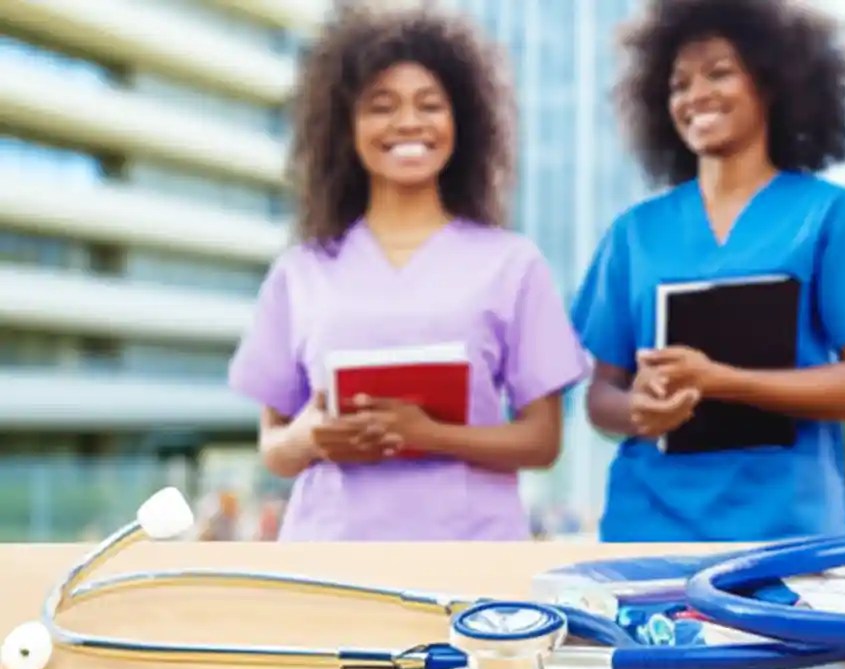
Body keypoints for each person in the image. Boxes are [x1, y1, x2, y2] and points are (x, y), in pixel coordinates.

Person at [227, 5, 589, 541]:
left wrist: (431, 435)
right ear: (346, 127)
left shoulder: (512, 265)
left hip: (471, 555)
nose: (408, 123)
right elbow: (275, 450)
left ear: (460, 123)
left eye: (430, 105)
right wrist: (311, 435)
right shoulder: (300, 271)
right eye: (381, 106)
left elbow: (541, 442)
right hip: (331, 555)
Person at [571, 0, 845, 542]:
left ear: (772, 83)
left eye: (719, 73)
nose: (696, 96)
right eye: (678, 84)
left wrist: (722, 381)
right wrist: (638, 411)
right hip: (647, 530)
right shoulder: (634, 233)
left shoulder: (830, 216)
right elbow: (601, 396)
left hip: (788, 533)